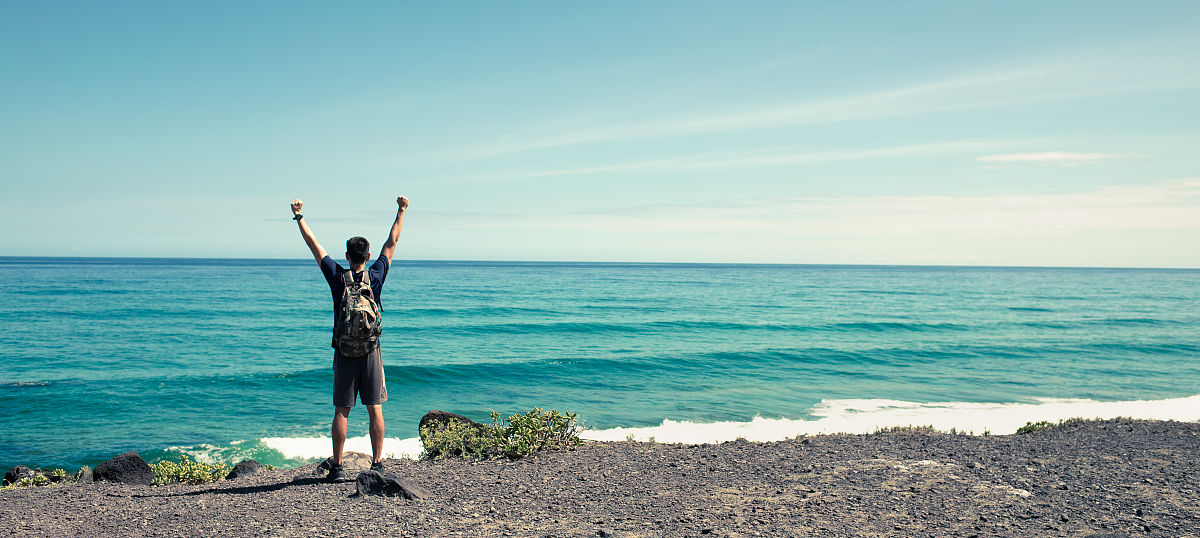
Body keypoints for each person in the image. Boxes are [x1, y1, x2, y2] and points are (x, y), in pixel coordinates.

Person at [290, 196, 409, 482]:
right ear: (367, 256)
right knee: (374, 407)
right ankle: (377, 463)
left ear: (347, 255)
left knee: (342, 410)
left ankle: (339, 466)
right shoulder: (376, 274)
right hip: (371, 350)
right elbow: (391, 243)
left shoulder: (336, 276)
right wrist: (401, 210)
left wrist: (299, 216)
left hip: (343, 351)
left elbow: (314, 245)